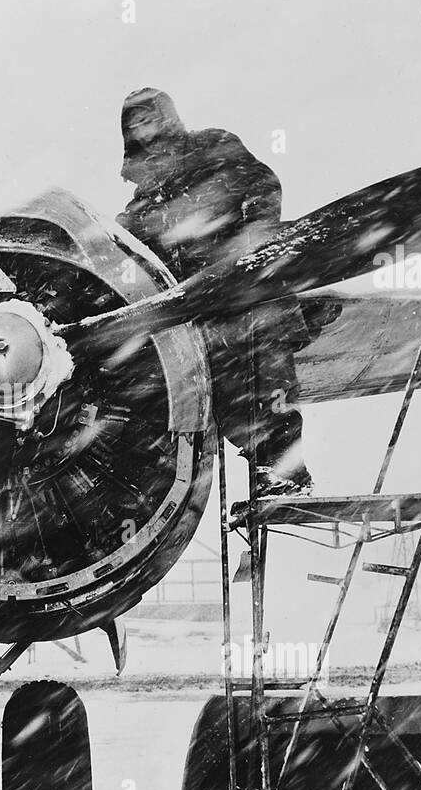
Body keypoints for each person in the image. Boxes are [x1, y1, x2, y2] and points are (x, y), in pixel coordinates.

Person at [116, 88, 313, 497]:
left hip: (252, 302)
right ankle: (272, 475)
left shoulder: (214, 147)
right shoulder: (139, 207)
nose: (140, 126)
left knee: (268, 389)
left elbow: (262, 184)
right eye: (132, 122)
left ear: (166, 116)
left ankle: (287, 475)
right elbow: (123, 253)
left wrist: (253, 240)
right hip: (204, 320)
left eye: (146, 116)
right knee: (230, 403)